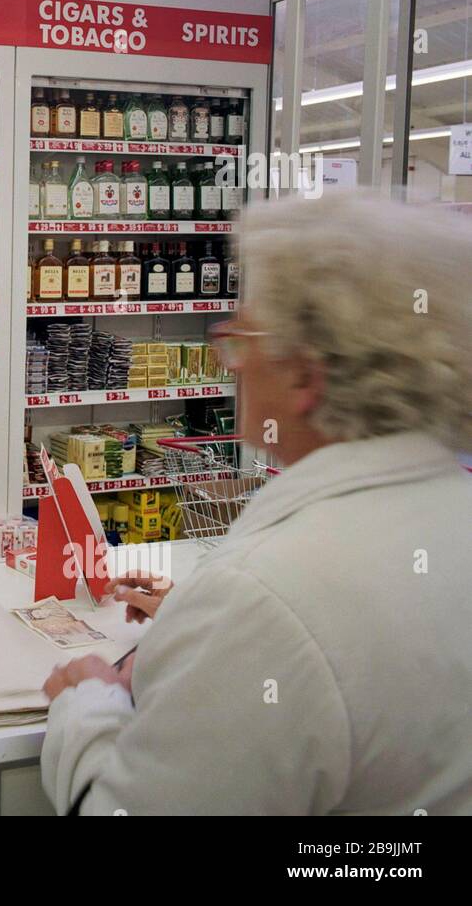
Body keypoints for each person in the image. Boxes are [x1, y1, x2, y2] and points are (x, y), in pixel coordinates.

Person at [40, 190, 472, 815]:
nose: (230, 366)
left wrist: (89, 705)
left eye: (241, 341)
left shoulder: (263, 598)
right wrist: (203, 632)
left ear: (304, 376)